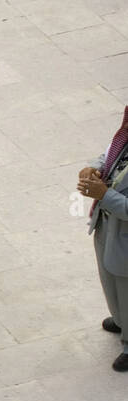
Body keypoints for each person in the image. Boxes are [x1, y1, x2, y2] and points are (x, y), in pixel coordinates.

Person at [80, 108, 128, 371]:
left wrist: (104, 194)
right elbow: (110, 156)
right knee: (110, 282)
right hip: (108, 226)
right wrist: (94, 169)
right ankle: (121, 319)